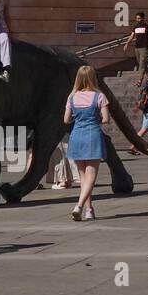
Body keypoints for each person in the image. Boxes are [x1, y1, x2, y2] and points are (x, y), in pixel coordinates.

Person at [63, 65, 110, 222]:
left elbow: (66, 120)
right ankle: (79, 206)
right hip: (92, 135)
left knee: (84, 177)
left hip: (76, 136)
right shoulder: (99, 96)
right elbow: (106, 119)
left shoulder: (72, 97)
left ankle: (90, 210)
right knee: (91, 176)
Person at [123, 12, 148, 83]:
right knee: (141, 64)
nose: (138, 20)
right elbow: (131, 36)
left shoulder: (147, 26)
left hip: (144, 48)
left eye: (139, 18)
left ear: (143, 18)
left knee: (142, 64)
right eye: (137, 18)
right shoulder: (135, 27)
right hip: (137, 48)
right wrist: (127, 44)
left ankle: (140, 80)